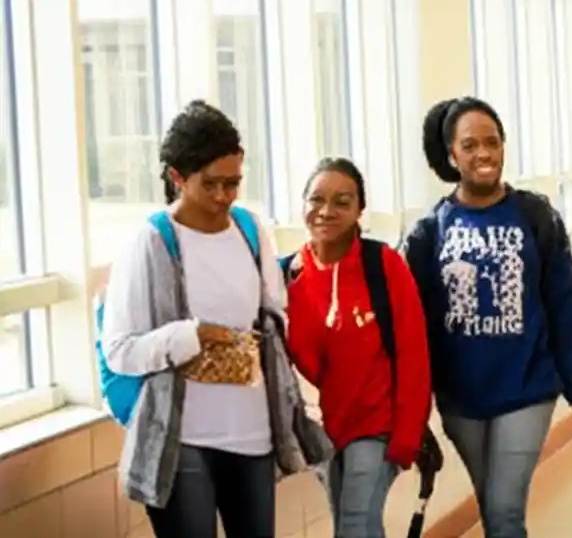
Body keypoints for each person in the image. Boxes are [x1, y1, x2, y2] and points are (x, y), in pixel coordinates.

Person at [100, 100, 311, 538]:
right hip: (182, 441)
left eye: (233, 184)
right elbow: (119, 350)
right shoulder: (152, 242)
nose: (223, 197)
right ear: (177, 177)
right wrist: (190, 336)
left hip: (252, 434)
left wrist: (265, 333)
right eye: (210, 184)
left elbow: (276, 312)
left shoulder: (250, 229)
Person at [401, 97, 572, 538]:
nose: (483, 153)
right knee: (491, 508)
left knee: (506, 510)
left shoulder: (535, 215)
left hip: (528, 385)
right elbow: (418, 324)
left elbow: (563, 296)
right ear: (452, 155)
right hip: (461, 396)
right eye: (469, 145)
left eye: (492, 142)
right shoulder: (430, 231)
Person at [284, 158, 432, 537]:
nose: (326, 211)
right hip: (323, 431)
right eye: (316, 199)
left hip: (378, 426)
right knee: (354, 527)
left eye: (342, 202)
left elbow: (414, 355)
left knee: (354, 525)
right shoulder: (287, 277)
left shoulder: (384, 266)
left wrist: (407, 437)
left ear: (359, 211)